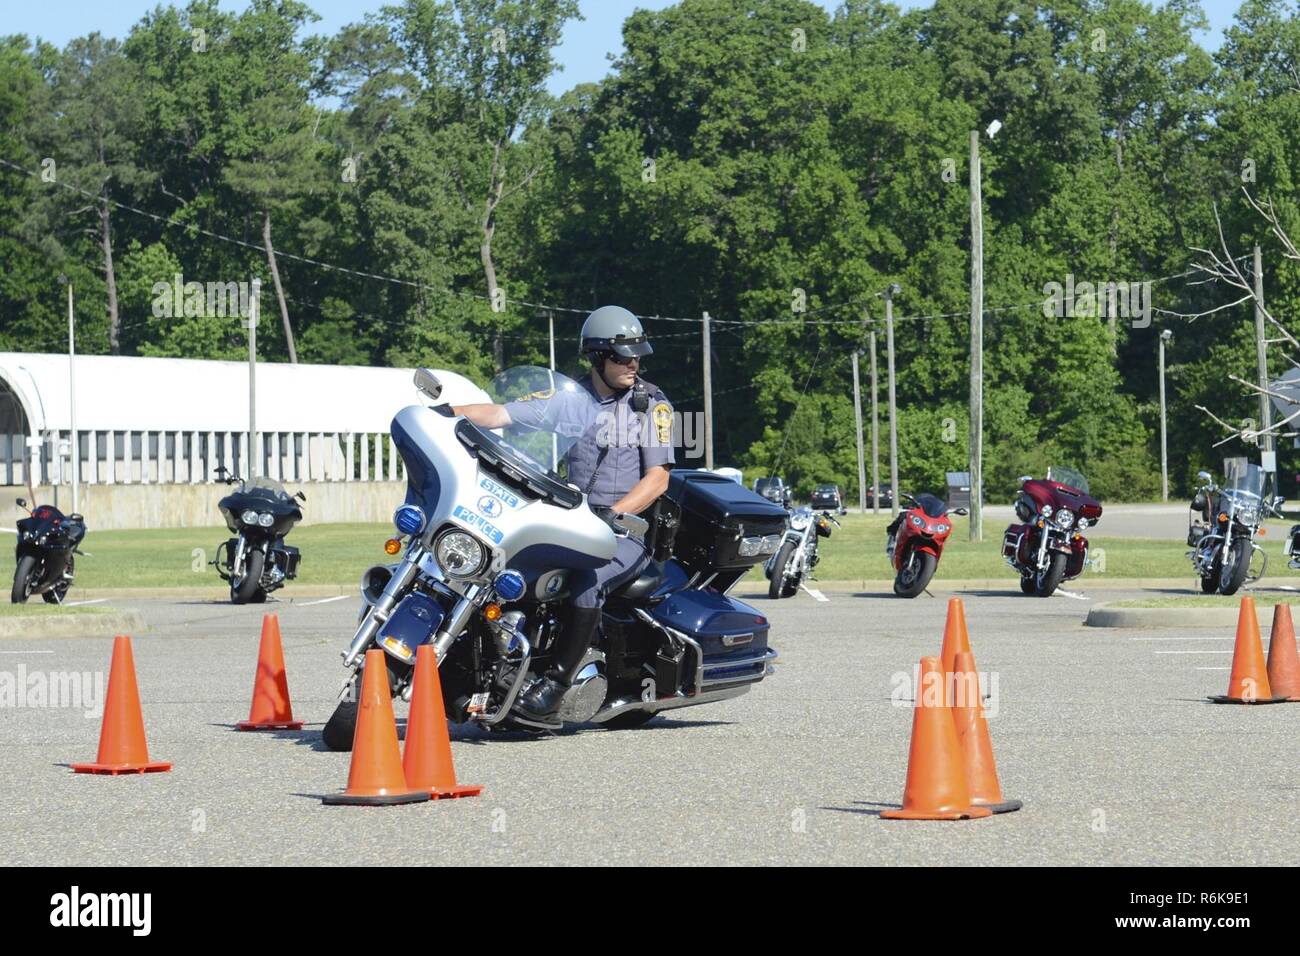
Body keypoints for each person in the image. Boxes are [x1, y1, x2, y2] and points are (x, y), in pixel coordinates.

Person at [452, 305, 676, 722]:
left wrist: (613, 515)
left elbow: (657, 479)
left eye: (637, 356)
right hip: (569, 523)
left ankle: (555, 685)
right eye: (623, 356)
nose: (633, 363)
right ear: (596, 358)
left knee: (585, 583)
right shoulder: (568, 401)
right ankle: (486, 672)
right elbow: (500, 414)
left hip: (624, 534)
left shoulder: (652, 406)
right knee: (501, 569)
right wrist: (448, 415)